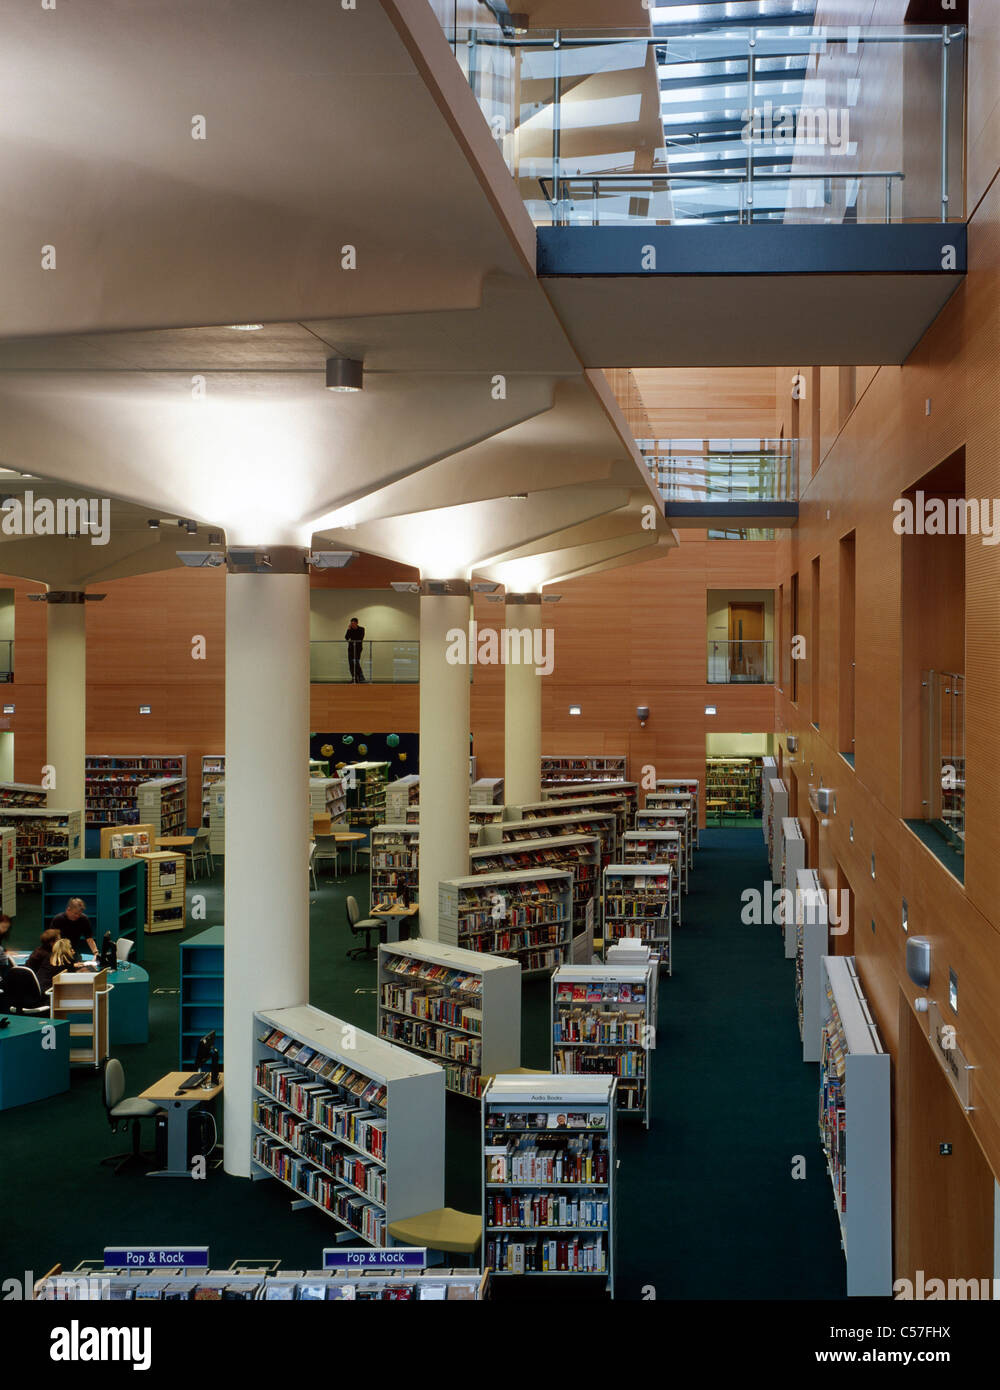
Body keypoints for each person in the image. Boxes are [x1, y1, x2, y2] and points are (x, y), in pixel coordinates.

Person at [25, 928, 64, 994]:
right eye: (59, 940)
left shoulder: (38, 950)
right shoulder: (48, 956)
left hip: (30, 984)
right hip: (40, 987)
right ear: (52, 943)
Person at [345, 617, 366, 684]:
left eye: (354, 623)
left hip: (358, 649)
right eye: (351, 623)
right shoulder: (350, 629)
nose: (352, 625)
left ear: (357, 623)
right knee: (351, 664)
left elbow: (360, 638)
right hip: (351, 649)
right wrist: (348, 629)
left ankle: (360, 677)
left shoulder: (361, 629)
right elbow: (346, 638)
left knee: (356, 662)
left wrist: (353, 636)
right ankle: (354, 678)